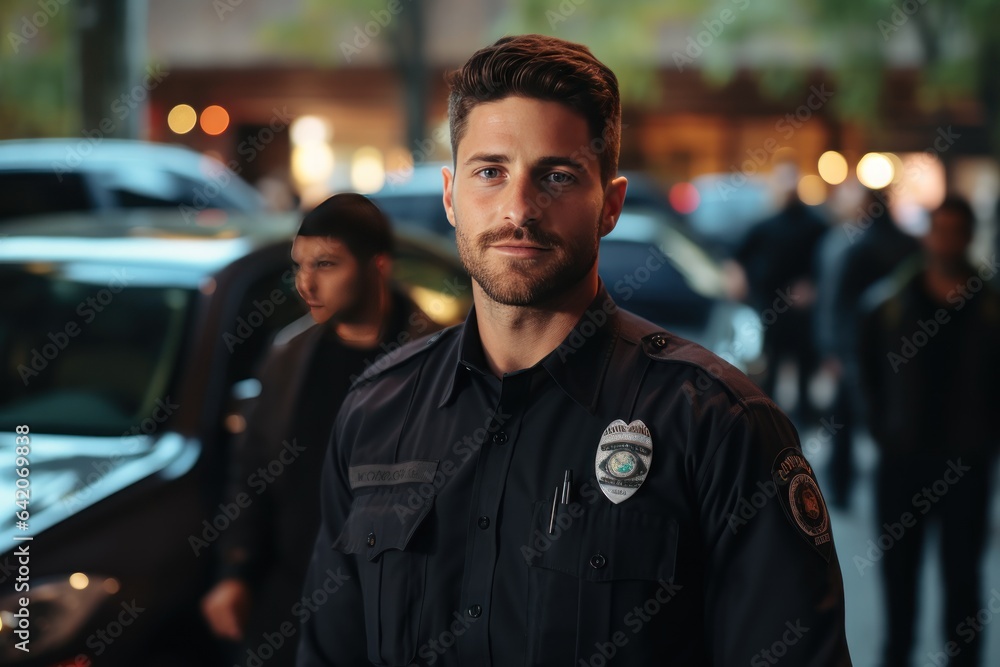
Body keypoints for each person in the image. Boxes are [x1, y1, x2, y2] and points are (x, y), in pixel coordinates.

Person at [298, 34, 852, 666]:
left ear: (609, 205)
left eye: (556, 176)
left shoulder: (718, 425)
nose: (519, 208)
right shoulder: (375, 412)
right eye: (490, 172)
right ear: (451, 197)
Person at [200, 193, 437, 666]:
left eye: (326, 264)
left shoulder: (434, 358)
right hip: (291, 592)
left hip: (390, 604)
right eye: (299, 265)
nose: (305, 283)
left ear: (378, 265)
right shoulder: (290, 354)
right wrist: (235, 571)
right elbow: (253, 469)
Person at [858, 195, 1000, 667]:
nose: (946, 240)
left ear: (969, 236)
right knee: (899, 583)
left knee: (963, 581)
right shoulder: (890, 303)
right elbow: (865, 374)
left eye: (957, 231)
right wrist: (881, 429)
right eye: (940, 229)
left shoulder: (988, 306)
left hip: (966, 463)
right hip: (902, 461)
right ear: (928, 235)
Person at [817, 186, 920, 508]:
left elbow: (838, 303)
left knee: (844, 420)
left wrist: (834, 349)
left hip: (857, 350)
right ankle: (901, 490)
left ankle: (840, 487)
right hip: (901, 349)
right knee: (896, 418)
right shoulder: (909, 245)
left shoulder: (854, 247)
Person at [731, 159, 829, 421]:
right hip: (771, 307)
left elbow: (827, 263)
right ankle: (767, 416)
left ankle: (803, 416)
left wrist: (814, 287)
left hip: (802, 311)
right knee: (770, 366)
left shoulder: (816, 224)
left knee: (804, 365)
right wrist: (739, 280)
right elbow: (738, 257)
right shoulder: (764, 225)